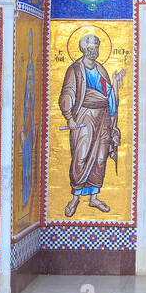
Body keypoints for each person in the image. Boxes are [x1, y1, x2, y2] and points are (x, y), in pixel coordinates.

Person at [59, 33, 125, 216]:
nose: (93, 49)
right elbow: (68, 94)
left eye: (96, 46)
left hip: (102, 119)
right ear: (82, 48)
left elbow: (108, 95)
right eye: (90, 47)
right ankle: (75, 198)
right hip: (84, 119)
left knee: (100, 157)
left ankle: (94, 197)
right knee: (81, 156)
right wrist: (69, 118)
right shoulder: (75, 70)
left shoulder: (101, 69)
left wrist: (115, 81)